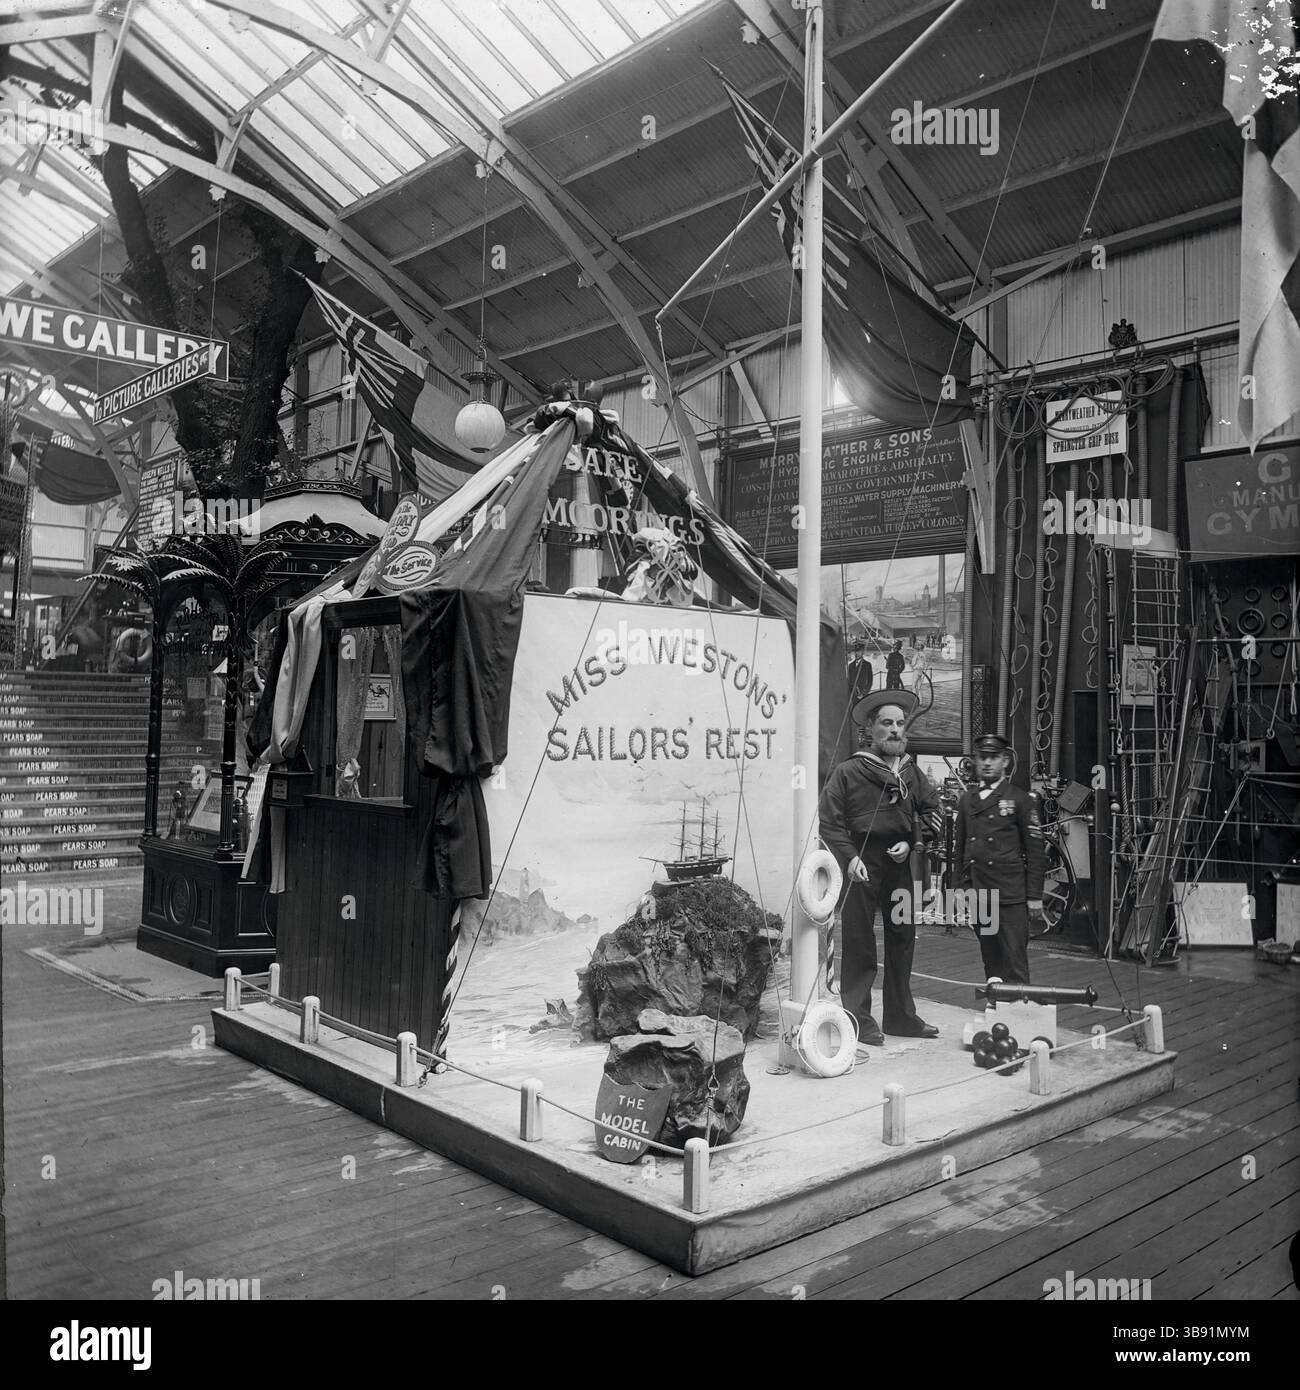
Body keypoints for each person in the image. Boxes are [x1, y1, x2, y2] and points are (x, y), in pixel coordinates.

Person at [819, 690, 943, 1046]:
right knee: (859, 941)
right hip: (861, 861)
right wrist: (850, 856)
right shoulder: (849, 771)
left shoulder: (910, 771)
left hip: (899, 861)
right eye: (886, 723)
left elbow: (931, 812)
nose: (894, 730)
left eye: (900, 724)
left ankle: (901, 1017)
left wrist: (913, 841)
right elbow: (829, 822)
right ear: (870, 729)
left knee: (903, 939)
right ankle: (859, 1019)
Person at [953, 734, 1046, 985]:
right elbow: (960, 849)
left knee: (1015, 960)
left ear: (1005, 761)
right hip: (981, 893)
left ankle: (1018, 1016)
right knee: (991, 958)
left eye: (993, 758)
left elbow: (1036, 850)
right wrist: (960, 888)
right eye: (982, 757)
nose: (987, 763)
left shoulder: (1019, 799)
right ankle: (996, 1008)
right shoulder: (967, 801)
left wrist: (1034, 895)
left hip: (1010, 895)